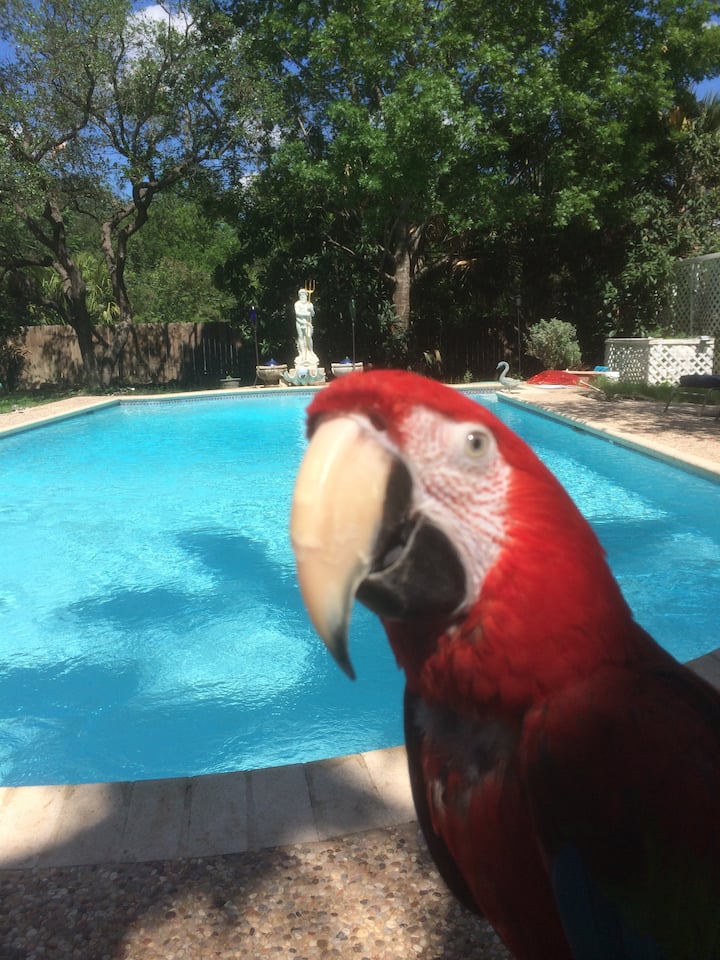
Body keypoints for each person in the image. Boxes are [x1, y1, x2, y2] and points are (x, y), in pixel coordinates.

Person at [294, 288, 315, 363]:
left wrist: (311, 310)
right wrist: (307, 314)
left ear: (306, 295)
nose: (302, 296)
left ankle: (311, 351)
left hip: (307, 323)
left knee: (308, 336)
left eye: (304, 295)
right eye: (301, 295)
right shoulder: (297, 304)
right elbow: (297, 313)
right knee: (300, 337)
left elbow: (313, 314)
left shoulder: (309, 304)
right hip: (299, 322)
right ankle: (302, 353)